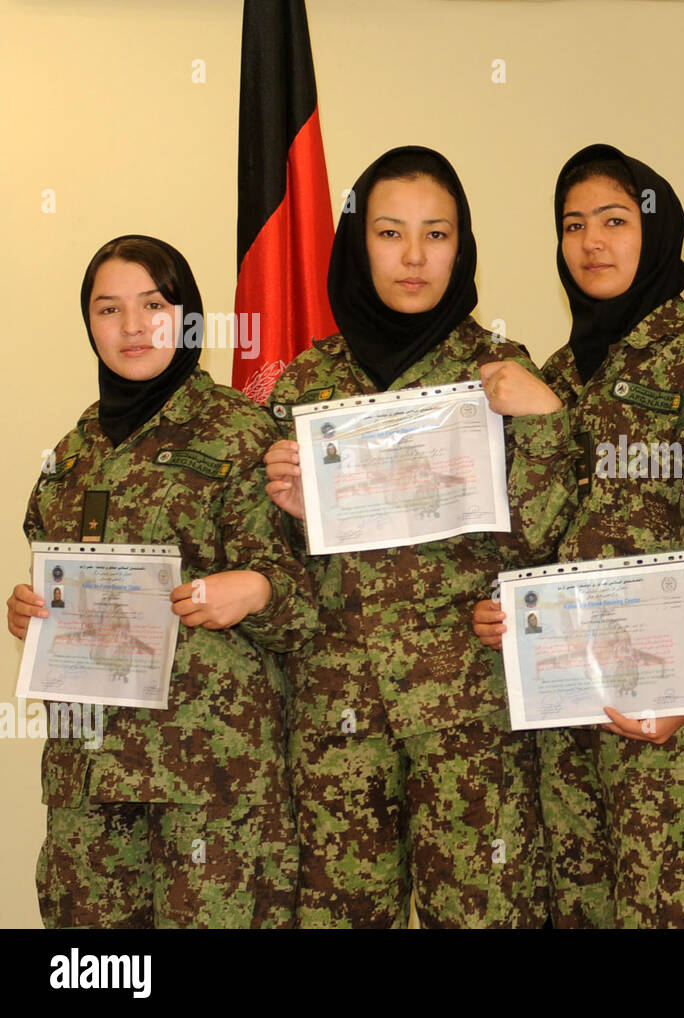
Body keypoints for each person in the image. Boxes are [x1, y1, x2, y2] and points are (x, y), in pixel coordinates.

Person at [471, 144, 684, 928]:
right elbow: (530, 530)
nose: (591, 242)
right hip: (563, 703)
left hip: (663, 709)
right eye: (573, 225)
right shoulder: (556, 374)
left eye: (614, 220)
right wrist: (500, 603)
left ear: (656, 234)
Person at [263, 146, 550, 929]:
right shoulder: (303, 387)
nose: (415, 257)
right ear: (359, 243)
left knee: (487, 912)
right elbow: (263, 578)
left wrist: (549, 424)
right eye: (391, 234)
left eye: (438, 233)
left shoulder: (500, 374)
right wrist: (289, 514)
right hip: (337, 711)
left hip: (470, 704)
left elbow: (555, 532)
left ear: (463, 248)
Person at [6, 235, 316, 928]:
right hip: (88, 786)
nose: (133, 327)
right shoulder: (73, 450)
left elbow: (309, 605)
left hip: (210, 785)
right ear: (89, 325)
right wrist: (28, 612)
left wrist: (257, 592)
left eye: (153, 305)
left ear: (189, 317)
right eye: (109, 309)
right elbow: (52, 577)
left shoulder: (242, 436)